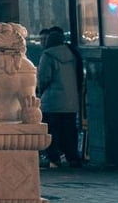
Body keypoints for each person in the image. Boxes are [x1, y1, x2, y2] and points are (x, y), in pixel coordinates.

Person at [35, 25, 83, 167]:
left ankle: (54, 158)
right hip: (70, 102)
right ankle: (72, 157)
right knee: (69, 131)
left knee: (52, 131)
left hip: (52, 102)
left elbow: (44, 78)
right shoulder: (72, 54)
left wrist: (40, 92)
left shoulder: (47, 55)